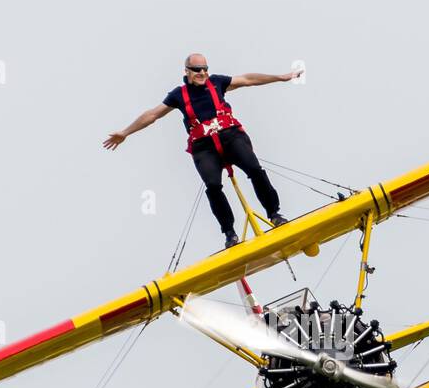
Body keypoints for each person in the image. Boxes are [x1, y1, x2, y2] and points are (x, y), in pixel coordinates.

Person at [104, 53, 303, 248]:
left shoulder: (217, 82)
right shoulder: (178, 95)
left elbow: (248, 79)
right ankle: (230, 234)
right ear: (187, 72)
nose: (202, 73)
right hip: (204, 147)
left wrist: (280, 77)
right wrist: (126, 132)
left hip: (231, 137)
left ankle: (275, 214)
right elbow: (153, 114)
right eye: (197, 70)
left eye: (205, 69)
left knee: (254, 169)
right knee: (213, 185)